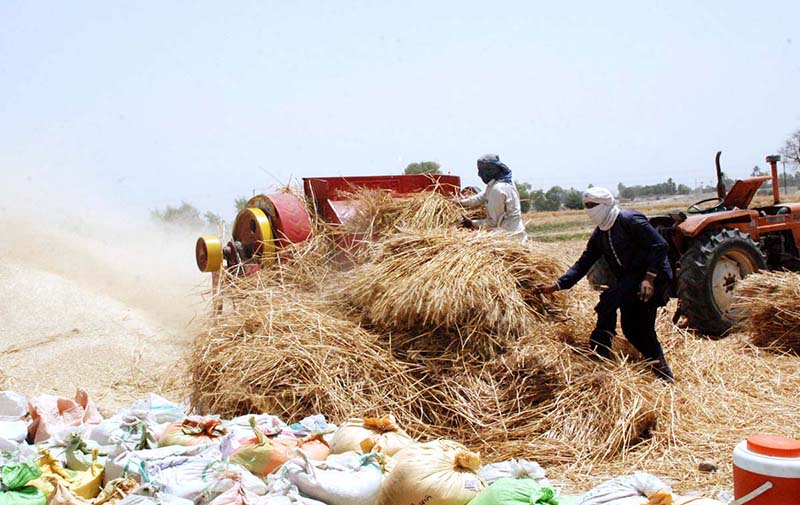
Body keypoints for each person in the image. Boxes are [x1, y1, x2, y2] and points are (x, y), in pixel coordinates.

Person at [533, 187, 674, 381]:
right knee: (620, 317)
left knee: (641, 326)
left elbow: (660, 246)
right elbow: (584, 262)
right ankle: (602, 353)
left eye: (593, 205)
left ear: (606, 204)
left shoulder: (629, 220)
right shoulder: (601, 233)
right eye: (586, 206)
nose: (589, 209)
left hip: (654, 277)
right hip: (630, 279)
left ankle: (663, 372)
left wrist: (649, 278)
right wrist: (557, 285)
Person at [454, 154, 527, 242]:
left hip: (509, 238)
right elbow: (479, 198)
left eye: (481, 171)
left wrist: (471, 223)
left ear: (490, 170)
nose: (479, 174)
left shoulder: (498, 190)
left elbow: (492, 223)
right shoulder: (500, 183)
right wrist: (459, 202)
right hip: (513, 233)